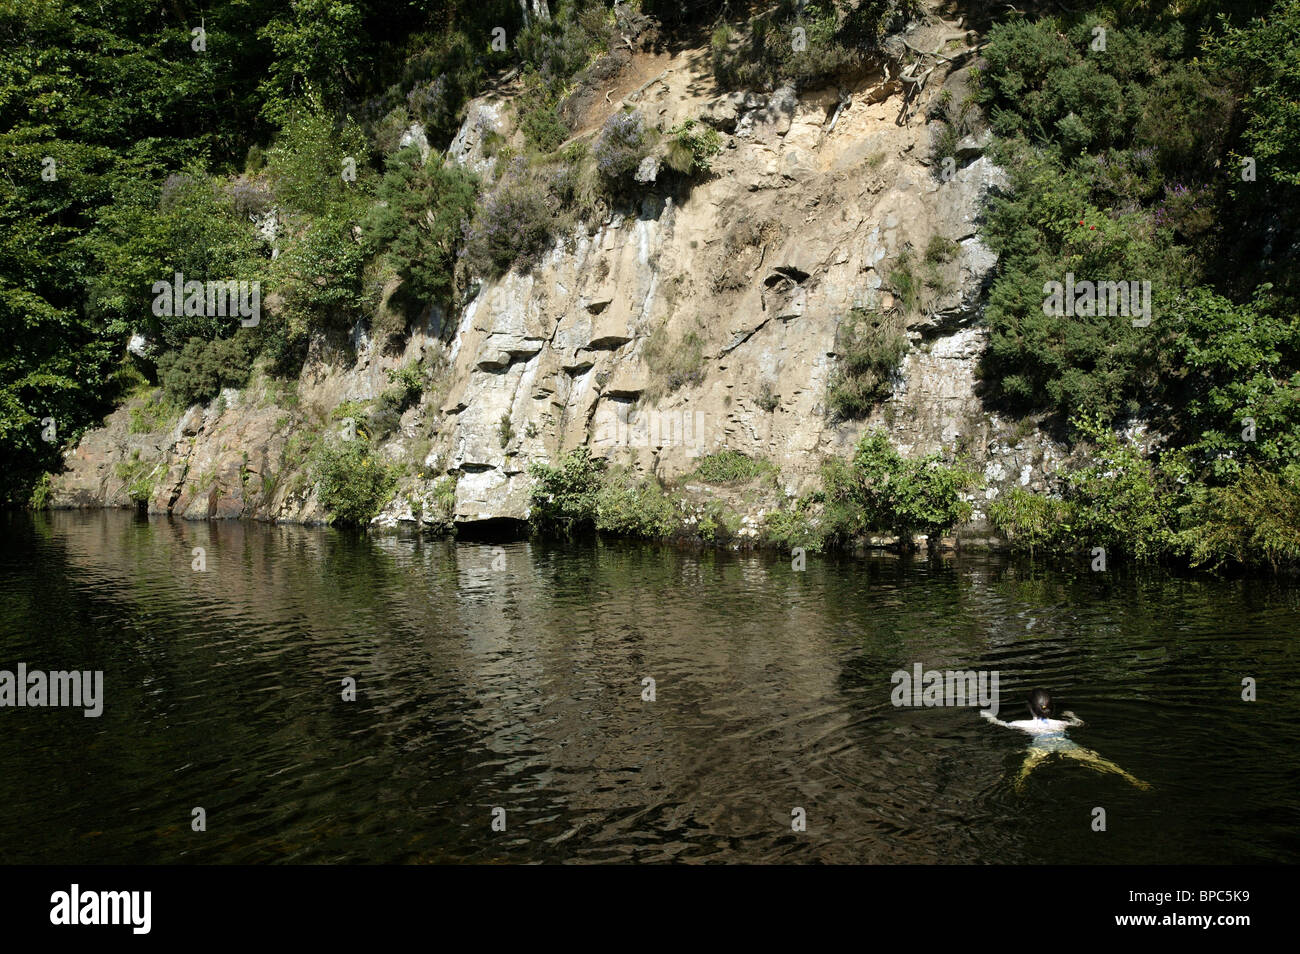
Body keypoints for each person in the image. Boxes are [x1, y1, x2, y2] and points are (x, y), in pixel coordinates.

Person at [982, 688, 1150, 793]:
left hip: (1040, 746)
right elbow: (1079, 724)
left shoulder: (1022, 724)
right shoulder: (1061, 723)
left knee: (1026, 767)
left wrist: (988, 716)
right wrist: (1071, 715)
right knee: (1101, 761)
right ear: (1052, 708)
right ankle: (1130, 778)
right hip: (1066, 744)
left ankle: (1019, 784)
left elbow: (1002, 724)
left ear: (1028, 707)